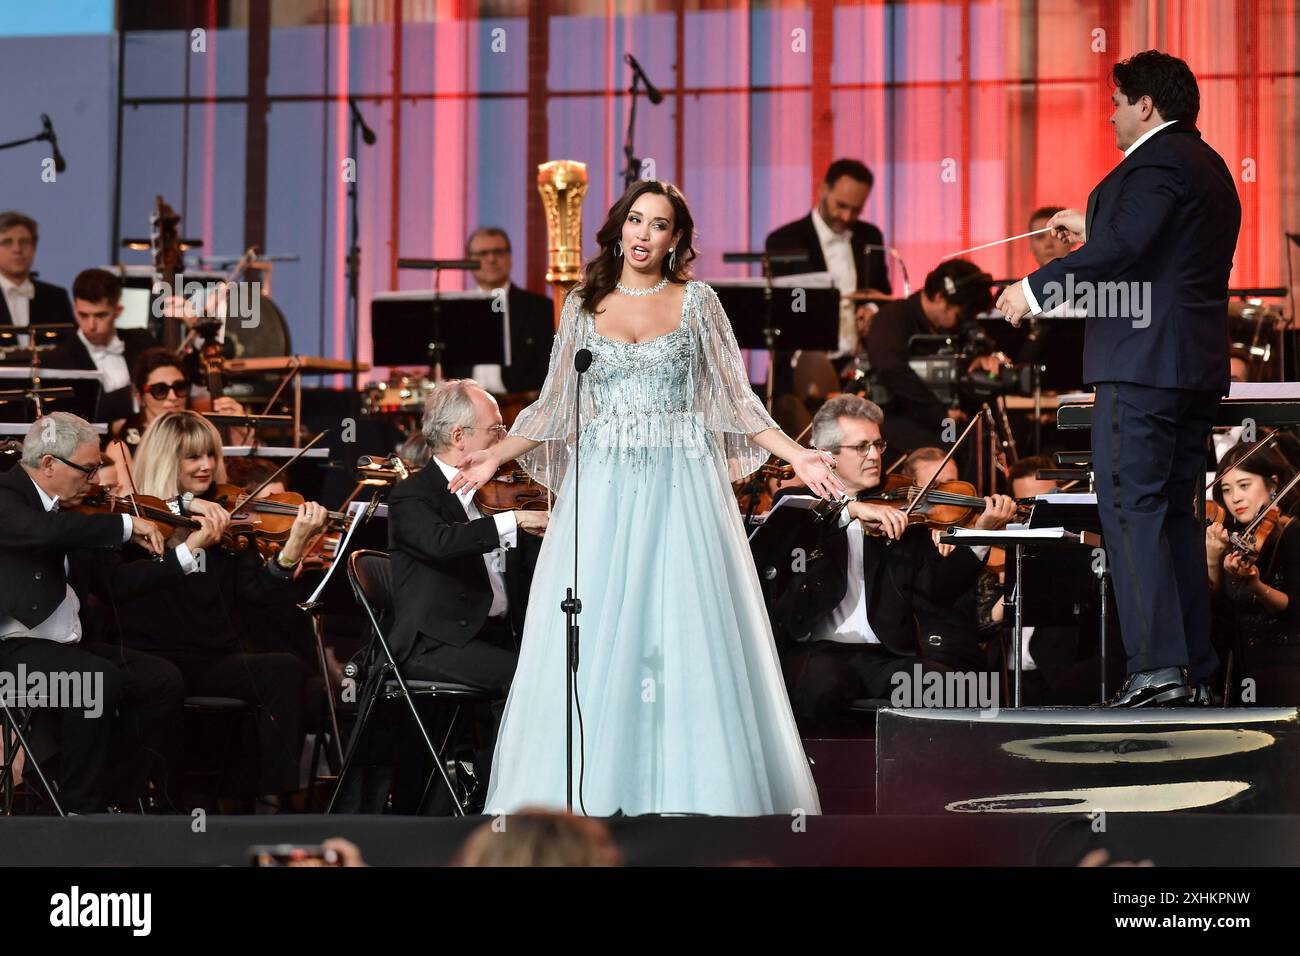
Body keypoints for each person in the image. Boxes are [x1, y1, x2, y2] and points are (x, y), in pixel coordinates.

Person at [451, 179, 838, 816]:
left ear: (676, 239)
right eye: (635, 220)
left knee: (681, 629)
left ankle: (689, 796)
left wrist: (797, 453)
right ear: (619, 227)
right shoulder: (582, 304)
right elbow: (553, 407)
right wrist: (494, 452)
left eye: (659, 225)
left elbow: (737, 403)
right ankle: (586, 798)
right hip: (601, 491)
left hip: (680, 490)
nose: (643, 234)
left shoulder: (699, 302)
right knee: (599, 630)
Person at [996, 50, 1243, 707]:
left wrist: (1035, 288)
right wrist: (1094, 223)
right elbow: (1153, 243)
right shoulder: (1208, 166)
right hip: (1190, 370)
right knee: (1175, 519)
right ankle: (1188, 669)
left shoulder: (1156, 160)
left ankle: (1157, 669)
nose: (1109, 115)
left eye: (1115, 102)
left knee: (1132, 513)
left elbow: (1128, 247)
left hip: (1140, 369)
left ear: (1145, 104)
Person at [110, 410, 328, 802]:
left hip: (212, 659)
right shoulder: (135, 519)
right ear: (165, 459)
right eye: (193, 457)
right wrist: (187, 533)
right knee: (169, 681)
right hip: (155, 658)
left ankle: (275, 799)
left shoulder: (227, 516)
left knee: (284, 670)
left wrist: (290, 551)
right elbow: (130, 595)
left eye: (211, 454)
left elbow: (255, 596)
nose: (207, 465)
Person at [764, 399, 1014, 730]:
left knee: (966, 691)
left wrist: (980, 533)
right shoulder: (798, 508)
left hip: (886, 658)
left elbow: (938, 590)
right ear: (827, 454)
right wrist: (851, 511)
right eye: (861, 447)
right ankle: (827, 778)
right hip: (815, 654)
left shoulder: (902, 510)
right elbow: (802, 522)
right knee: (821, 688)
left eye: (878, 444)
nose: (875, 455)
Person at [0, 412, 183, 813]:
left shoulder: (73, 513)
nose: (96, 480)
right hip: (11, 651)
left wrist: (186, 554)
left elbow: (115, 584)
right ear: (48, 464)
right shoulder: (6, 496)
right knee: (95, 680)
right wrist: (123, 525)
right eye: (88, 469)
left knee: (161, 680)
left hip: (63, 648)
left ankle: (120, 794)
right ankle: (80, 808)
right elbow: (39, 532)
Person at [765, 159, 893, 409]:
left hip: (855, 367)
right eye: (841, 205)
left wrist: (872, 310)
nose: (846, 216)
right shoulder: (783, 240)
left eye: (856, 210)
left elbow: (881, 292)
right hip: (801, 368)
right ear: (823, 189)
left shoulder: (870, 236)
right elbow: (780, 310)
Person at [865, 259, 1000, 455]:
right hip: (901, 417)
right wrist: (938, 413)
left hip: (950, 417)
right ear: (939, 297)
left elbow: (981, 348)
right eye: (960, 313)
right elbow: (890, 367)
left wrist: (982, 357)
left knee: (983, 443)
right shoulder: (893, 317)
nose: (962, 321)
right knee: (952, 449)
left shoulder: (958, 325)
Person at [1207, 444, 1300, 704]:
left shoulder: (1293, 533)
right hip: (1240, 673)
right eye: (1226, 490)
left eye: (1244, 485)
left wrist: (1255, 584)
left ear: (1273, 485)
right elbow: (1218, 619)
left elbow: (1294, 609)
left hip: (1288, 671)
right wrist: (1213, 559)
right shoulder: (1233, 540)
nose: (1235, 497)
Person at [104, 347, 250, 492]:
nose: (173, 397)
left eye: (180, 387)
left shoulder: (202, 431)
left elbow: (241, 478)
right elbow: (128, 504)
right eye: (160, 390)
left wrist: (243, 432)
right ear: (139, 395)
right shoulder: (121, 447)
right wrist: (185, 503)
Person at [443, 227, 555, 395]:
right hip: (465, 408)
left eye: (499, 252)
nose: (491, 259)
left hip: (522, 406)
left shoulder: (540, 309)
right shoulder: (456, 310)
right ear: (469, 260)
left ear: (510, 258)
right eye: (482, 253)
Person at [43, 269, 159, 424]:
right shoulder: (56, 361)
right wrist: (129, 397)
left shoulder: (142, 341)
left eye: (100, 315)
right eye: (83, 315)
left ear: (118, 311)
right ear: (74, 309)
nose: (91, 326)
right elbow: (73, 418)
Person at [0, 210, 74, 356]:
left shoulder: (56, 297)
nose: (17, 249)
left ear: (34, 248)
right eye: (7, 242)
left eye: (24, 242)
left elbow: (69, 351)